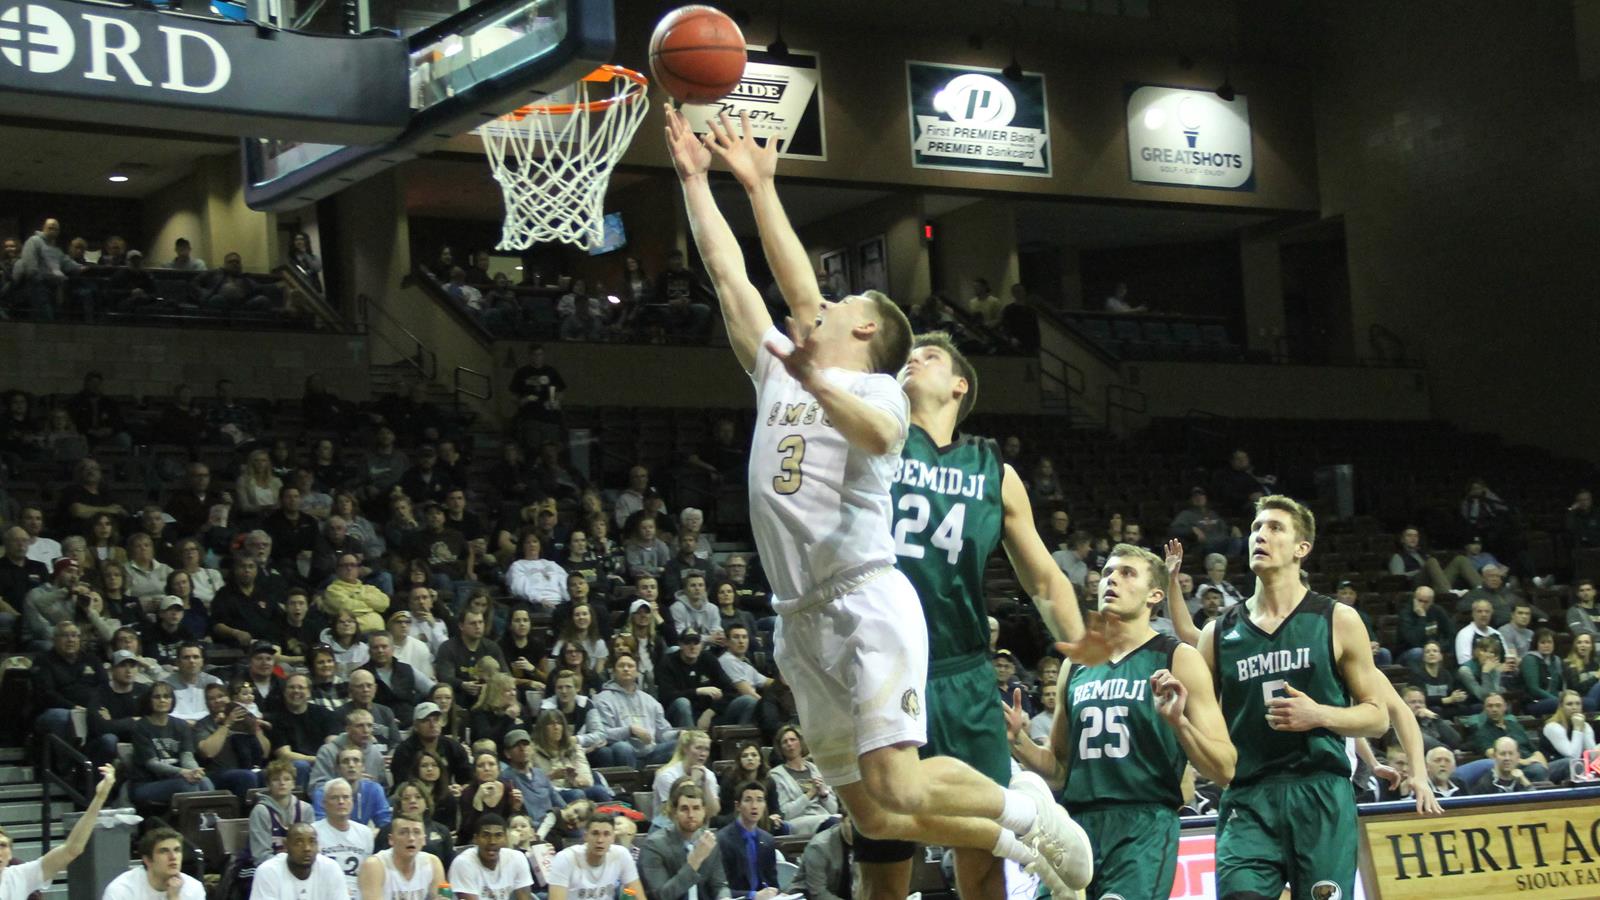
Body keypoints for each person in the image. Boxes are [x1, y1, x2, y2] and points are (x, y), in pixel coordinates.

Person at [670, 106, 1088, 896]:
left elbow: (864, 430)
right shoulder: (779, 369)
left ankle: (1026, 810)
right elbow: (732, 278)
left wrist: (819, 380)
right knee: (880, 814)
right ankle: (1018, 832)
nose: (817, 309)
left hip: (867, 600)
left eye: (837, 309)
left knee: (901, 787)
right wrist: (704, 181)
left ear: (866, 335)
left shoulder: (878, 391)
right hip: (799, 616)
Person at [863, 331, 1095, 899]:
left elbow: (1044, 578)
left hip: (962, 669)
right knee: (884, 854)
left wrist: (1090, 653)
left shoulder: (995, 470)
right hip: (884, 663)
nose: (913, 358)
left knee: (984, 854)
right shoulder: (876, 438)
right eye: (908, 355)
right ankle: (1030, 815)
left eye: (931, 355)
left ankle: (1023, 817)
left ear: (960, 385)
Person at [1004, 543, 1234, 900]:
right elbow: (1058, 769)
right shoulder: (1076, 664)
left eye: (1127, 573)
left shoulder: (1178, 658)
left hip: (1143, 826)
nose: (1112, 579)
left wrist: (1180, 725)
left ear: (1154, 594)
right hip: (1075, 827)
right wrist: (1018, 741)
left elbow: (1225, 768)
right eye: (1109, 572)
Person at [1195, 495, 1391, 900]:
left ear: (1302, 549)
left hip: (1319, 791)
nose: (1260, 535)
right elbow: (1201, 719)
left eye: (1274, 528)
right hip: (1248, 796)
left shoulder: (1336, 618)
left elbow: (1377, 717)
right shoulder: (1216, 633)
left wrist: (1318, 713)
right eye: (1255, 528)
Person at [0, 764, 114, 899]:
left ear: (10, 854)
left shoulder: (19, 876)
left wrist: (99, 798)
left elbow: (72, 849)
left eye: (3, 846)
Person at [640, 782, 730, 900]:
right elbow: (661, 896)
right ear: (674, 812)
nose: (691, 815)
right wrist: (695, 861)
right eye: (684, 809)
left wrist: (724, 897)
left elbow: (719, 885)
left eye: (696, 808)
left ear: (704, 811)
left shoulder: (709, 841)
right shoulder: (654, 845)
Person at [548, 811, 643, 900]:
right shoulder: (565, 858)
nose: (600, 840)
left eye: (606, 834)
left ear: (613, 838)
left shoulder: (621, 854)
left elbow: (636, 893)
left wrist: (629, 894)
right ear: (585, 836)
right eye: (595, 833)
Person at [715, 782, 781, 900]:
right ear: (738, 806)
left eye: (759, 800)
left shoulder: (767, 840)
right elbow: (718, 890)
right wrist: (753, 896)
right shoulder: (722, 840)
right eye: (748, 800)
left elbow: (773, 883)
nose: (754, 806)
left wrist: (777, 893)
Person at [251, 822, 349, 900]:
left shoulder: (331, 868)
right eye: (298, 842)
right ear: (286, 846)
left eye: (312, 842)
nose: (307, 848)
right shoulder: (268, 871)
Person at [448, 813, 535, 900]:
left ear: (506, 839)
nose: (492, 841)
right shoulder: (463, 863)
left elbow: (525, 897)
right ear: (475, 839)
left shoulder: (517, 858)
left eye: (498, 835)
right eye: (486, 835)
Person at [358, 814, 446, 900]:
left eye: (416, 832)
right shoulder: (374, 866)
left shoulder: (433, 863)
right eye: (403, 832)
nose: (411, 838)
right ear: (391, 840)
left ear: (423, 840)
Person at [103, 827, 206, 900]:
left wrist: (174, 897)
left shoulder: (193, 888)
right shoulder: (121, 891)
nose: (173, 857)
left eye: (177, 850)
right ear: (148, 860)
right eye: (164, 851)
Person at [315, 778, 376, 898]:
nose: (341, 801)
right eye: (334, 798)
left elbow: (367, 875)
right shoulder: (313, 833)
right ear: (324, 803)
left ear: (352, 802)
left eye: (346, 797)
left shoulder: (365, 833)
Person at [251, 760, 315, 867]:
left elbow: (312, 847)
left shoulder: (306, 809)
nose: (282, 783)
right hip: (269, 869)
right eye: (276, 779)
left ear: (294, 784)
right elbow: (260, 856)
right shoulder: (260, 812)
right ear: (268, 784)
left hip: (300, 867)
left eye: (287, 779)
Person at [798, 807, 854, 900]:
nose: (857, 828)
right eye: (852, 823)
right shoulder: (819, 846)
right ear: (842, 821)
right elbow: (817, 894)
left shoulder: (867, 843)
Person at [1469, 736, 1537, 794]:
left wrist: (1524, 781)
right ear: (1494, 756)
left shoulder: (1523, 780)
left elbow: (1537, 804)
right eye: (1502, 754)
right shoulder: (1484, 785)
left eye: (1511, 753)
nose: (1507, 758)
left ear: (1518, 756)